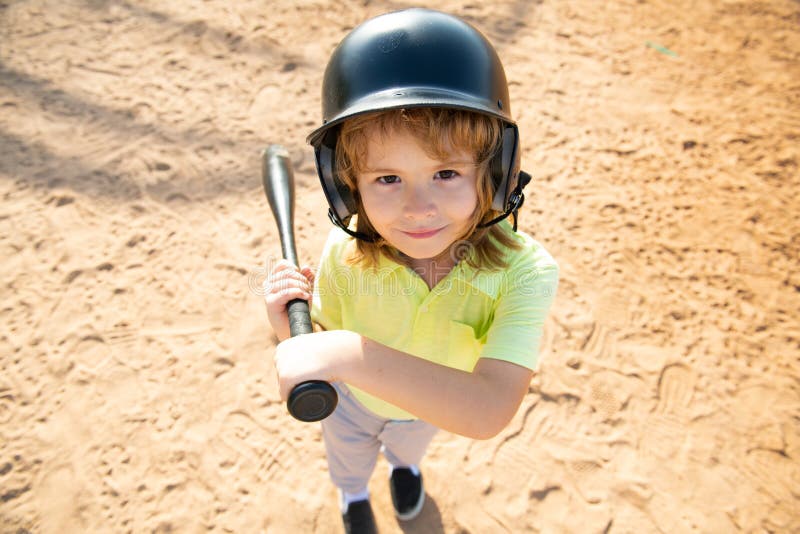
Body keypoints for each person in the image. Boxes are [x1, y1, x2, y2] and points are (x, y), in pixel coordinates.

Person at [264, 8, 558, 534]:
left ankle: (405, 469)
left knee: (408, 446)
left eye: (446, 172)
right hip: (350, 403)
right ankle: (354, 497)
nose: (418, 208)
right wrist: (290, 326)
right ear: (348, 185)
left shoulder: (524, 271)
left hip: (427, 407)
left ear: (494, 173)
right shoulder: (345, 250)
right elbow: (321, 342)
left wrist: (346, 353)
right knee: (348, 460)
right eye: (387, 179)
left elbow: (488, 408)